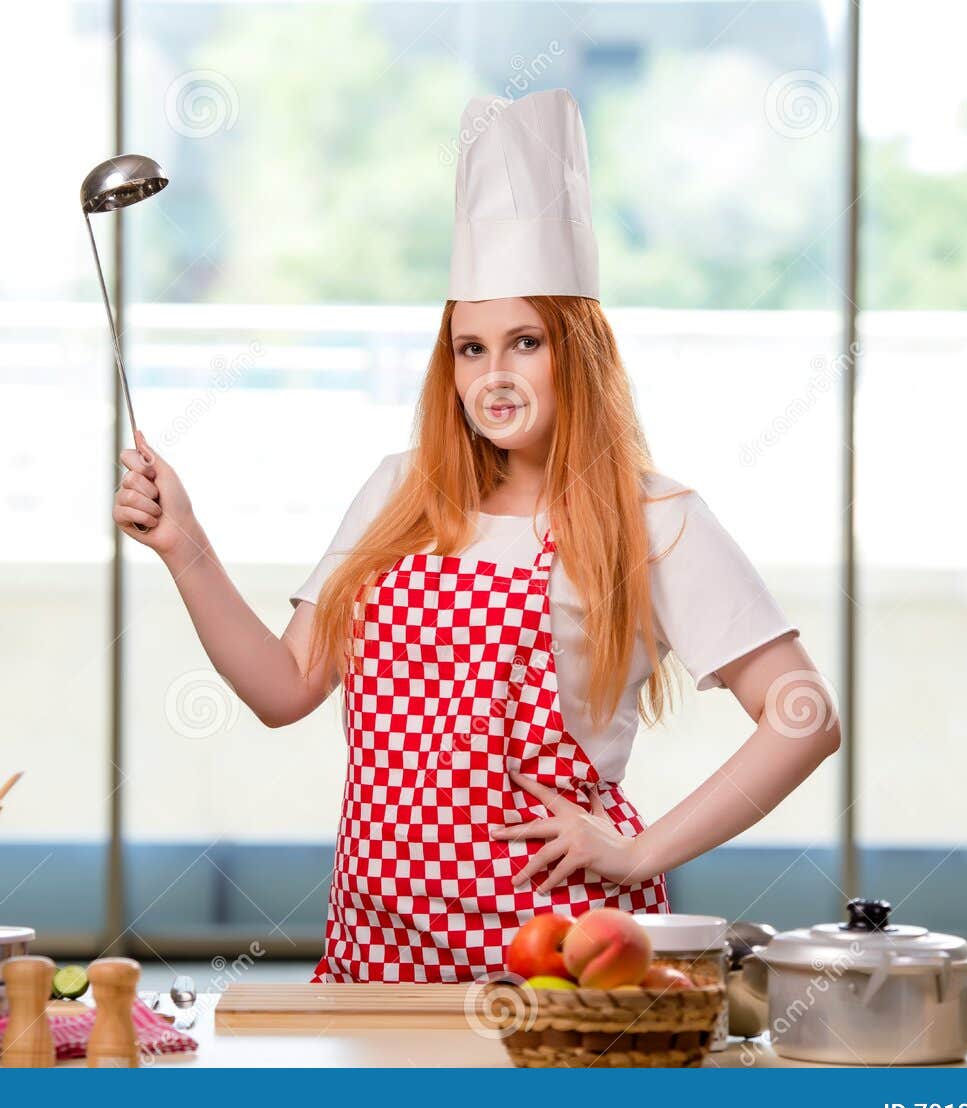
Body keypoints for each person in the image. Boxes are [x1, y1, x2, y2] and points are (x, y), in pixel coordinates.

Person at [112, 88, 839, 982]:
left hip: (562, 956)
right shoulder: (399, 492)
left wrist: (638, 851)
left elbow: (804, 718)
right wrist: (186, 546)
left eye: (525, 342)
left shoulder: (654, 520)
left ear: (577, 350)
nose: (494, 374)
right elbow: (285, 686)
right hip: (380, 951)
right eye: (470, 347)